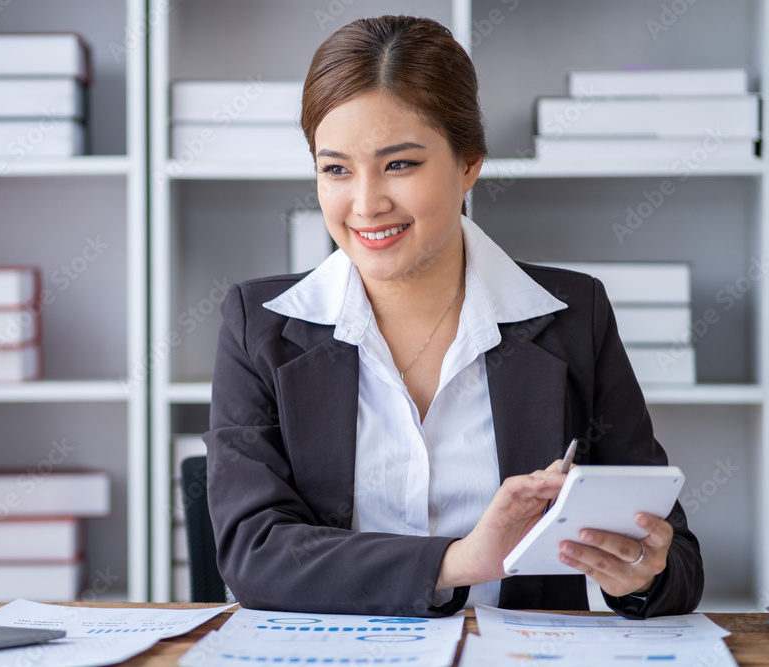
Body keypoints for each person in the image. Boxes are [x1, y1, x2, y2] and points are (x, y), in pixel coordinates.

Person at [203, 15, 702, 618]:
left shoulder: (574, 317)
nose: (365, 204)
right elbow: (254, 554)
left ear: (469, 164)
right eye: (335, 169)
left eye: (400, 164)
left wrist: (641, 577)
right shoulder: (260, 326)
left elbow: (675, 557)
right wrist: (460, 560)